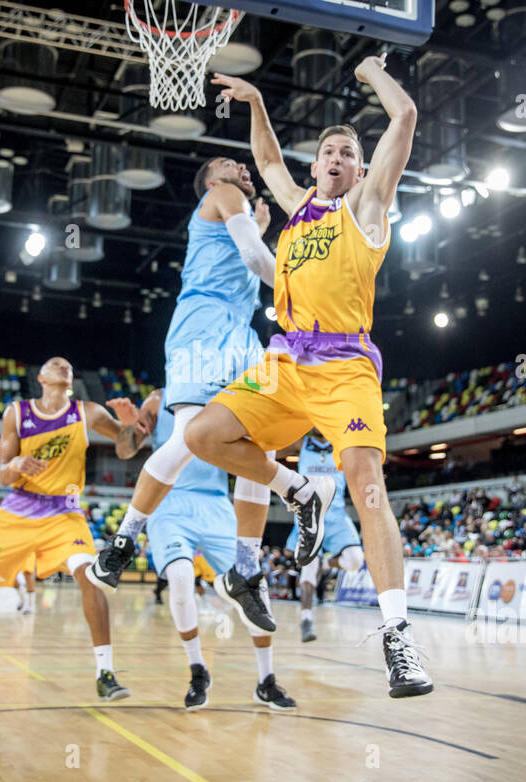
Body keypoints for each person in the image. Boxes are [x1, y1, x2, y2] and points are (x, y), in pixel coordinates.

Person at [172, 57, 432, 698]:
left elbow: (405, 116)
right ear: (315, 168)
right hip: (286, 363)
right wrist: (259, 100)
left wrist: (372, 72)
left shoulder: (368, 208)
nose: (337, 158)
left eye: (348, 152)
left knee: (368, 485)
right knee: (205, 437)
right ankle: (298, 492)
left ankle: (398, 638)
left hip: (345, 365)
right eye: (327, 151)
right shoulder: (296, 208)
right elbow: (266, 164)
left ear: (363, 170)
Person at [90, 155, 281, 637]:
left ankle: (245, 568)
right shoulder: (221, 194)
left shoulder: (243, 207)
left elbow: (253, 254)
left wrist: (259, 229)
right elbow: (260, 262)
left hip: (242, 334)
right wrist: (313, 293)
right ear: (212, 181)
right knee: (190, 438)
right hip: (203, 324)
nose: (241, 164)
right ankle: (122, 541)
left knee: (267, 442)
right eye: (227, 163)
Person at [0, 357, 150, 702]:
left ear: (71, 378)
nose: (63, 365)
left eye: (67, 365)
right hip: (17, 511)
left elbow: (125, 451)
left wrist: (131, 428)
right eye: (55, 364)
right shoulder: (16, 413)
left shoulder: (87, 412)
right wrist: (15, 463)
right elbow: (3, 474)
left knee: (90, 579)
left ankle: (105, 673)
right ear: (41, 377)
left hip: (64, 512)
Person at [136, 389, 296, 710]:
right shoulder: (157, 399)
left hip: (216, 503)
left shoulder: (225, 394)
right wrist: (129, 429)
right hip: (169, 500)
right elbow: (125, 447)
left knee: (255, 584)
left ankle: (266, 681)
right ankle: (198, 670)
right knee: (180, 576)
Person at [278, 430, 364, 643]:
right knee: (308, 568)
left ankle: (326, 563)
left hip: (337, 514)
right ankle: (306, 618)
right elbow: (272, 449)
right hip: (309, 513)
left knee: (355, 561)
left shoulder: (341, 442)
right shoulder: (301, 443)